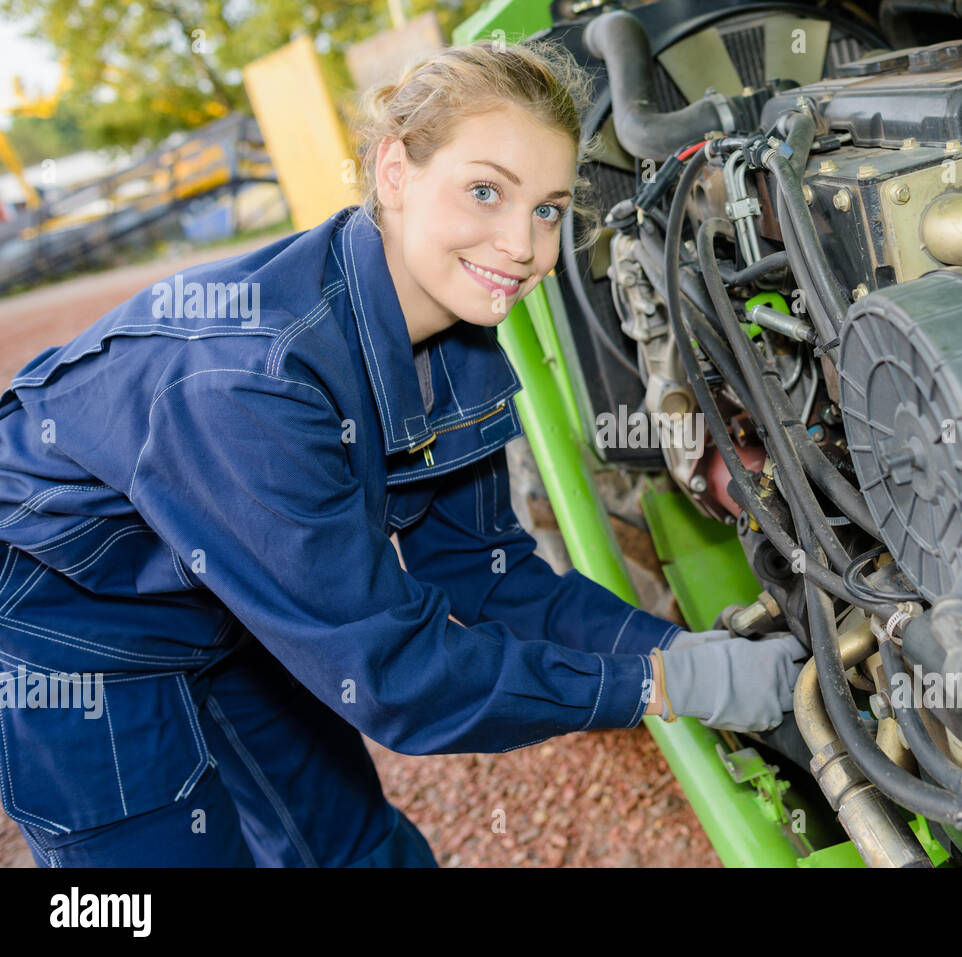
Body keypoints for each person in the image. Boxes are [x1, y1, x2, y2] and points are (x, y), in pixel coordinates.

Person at [0, 38, 806, 867]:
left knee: (348, 845)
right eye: (485, 191)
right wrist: (659, 688)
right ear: (394, 172)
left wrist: (672, 650)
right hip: (69, 617)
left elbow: (489, 573)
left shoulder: (457, 337)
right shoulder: (253, 382)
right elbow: (398, 676)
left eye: (548, 209)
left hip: (228, 586)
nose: (525, 247)